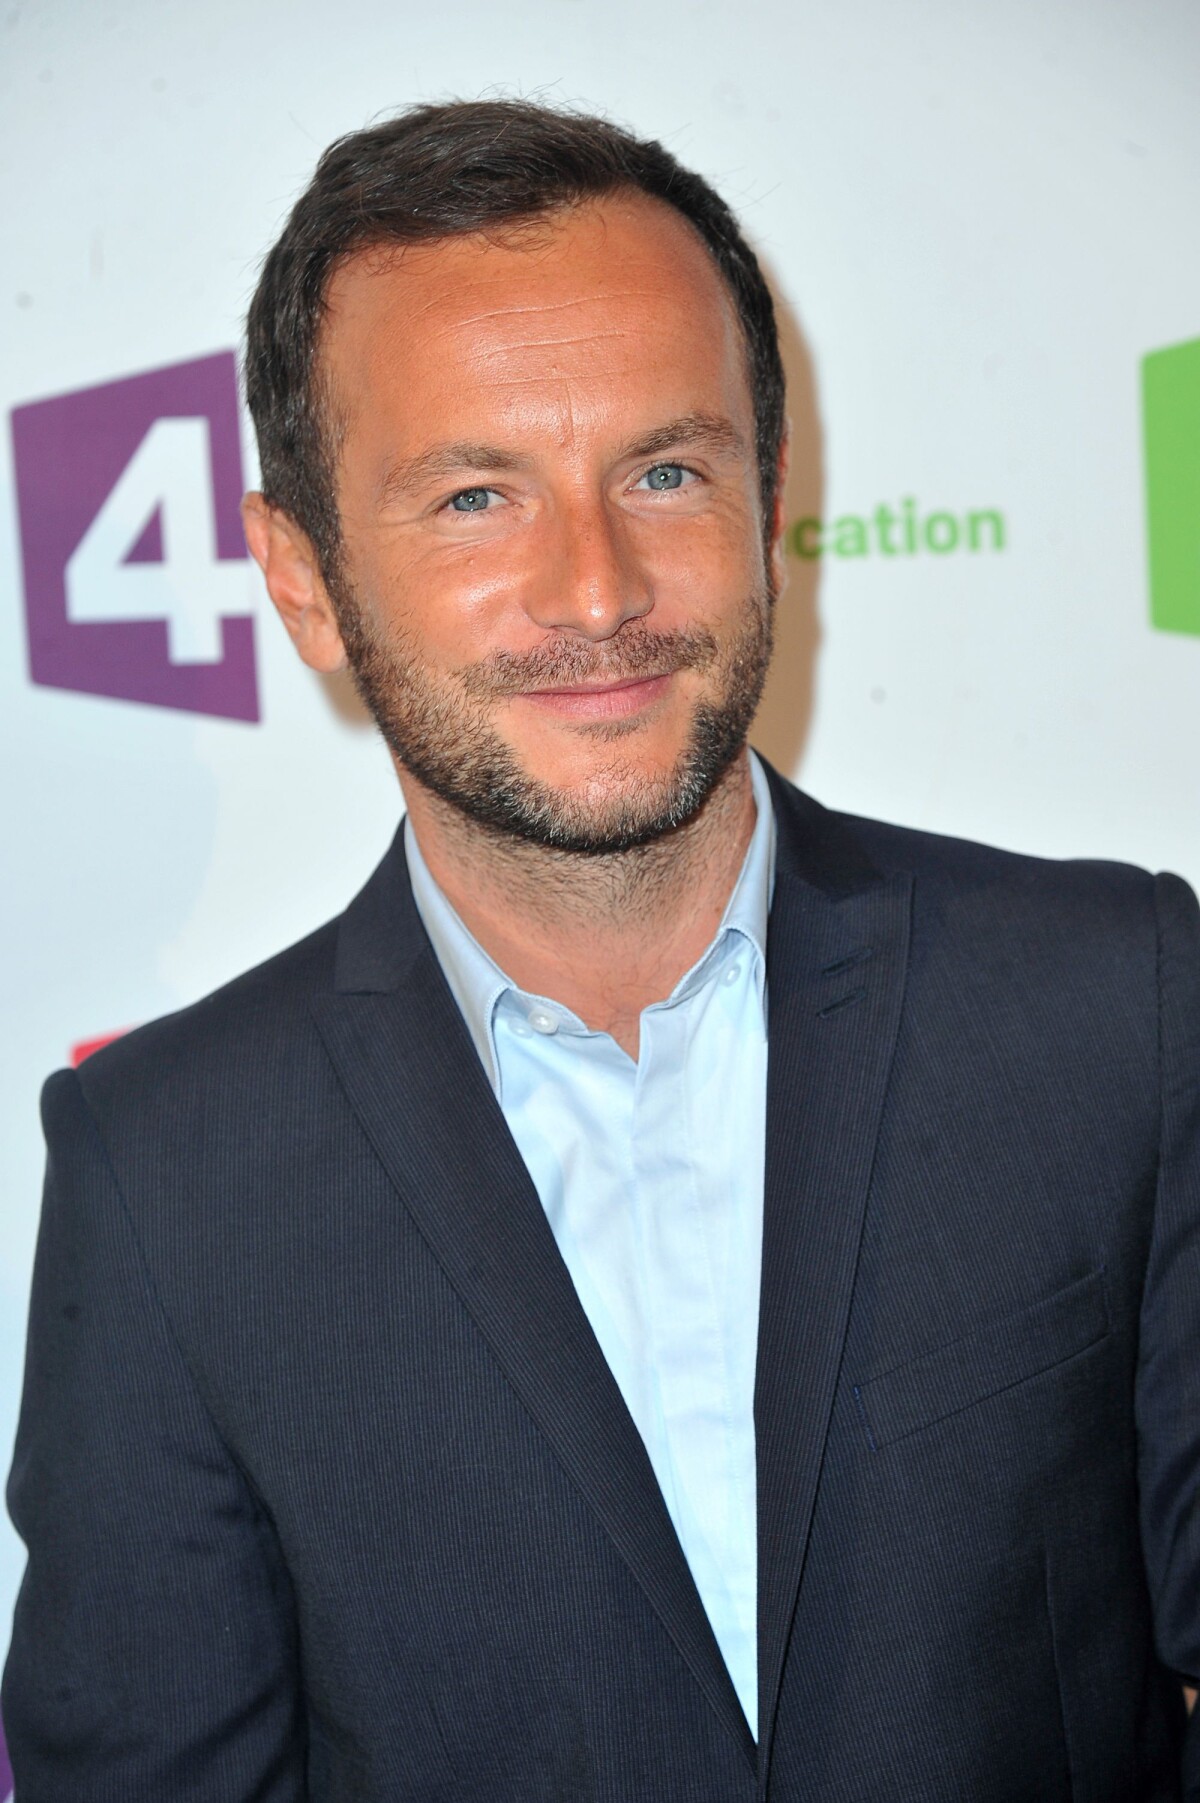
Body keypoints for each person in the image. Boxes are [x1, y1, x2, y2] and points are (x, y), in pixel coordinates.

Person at [4, 98, 1198, 1802]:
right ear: (305, 581)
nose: (598, 588)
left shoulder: (1116, 1002)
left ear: (772, 498)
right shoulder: (168, 1175)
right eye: (478, 496)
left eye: (663, 471)